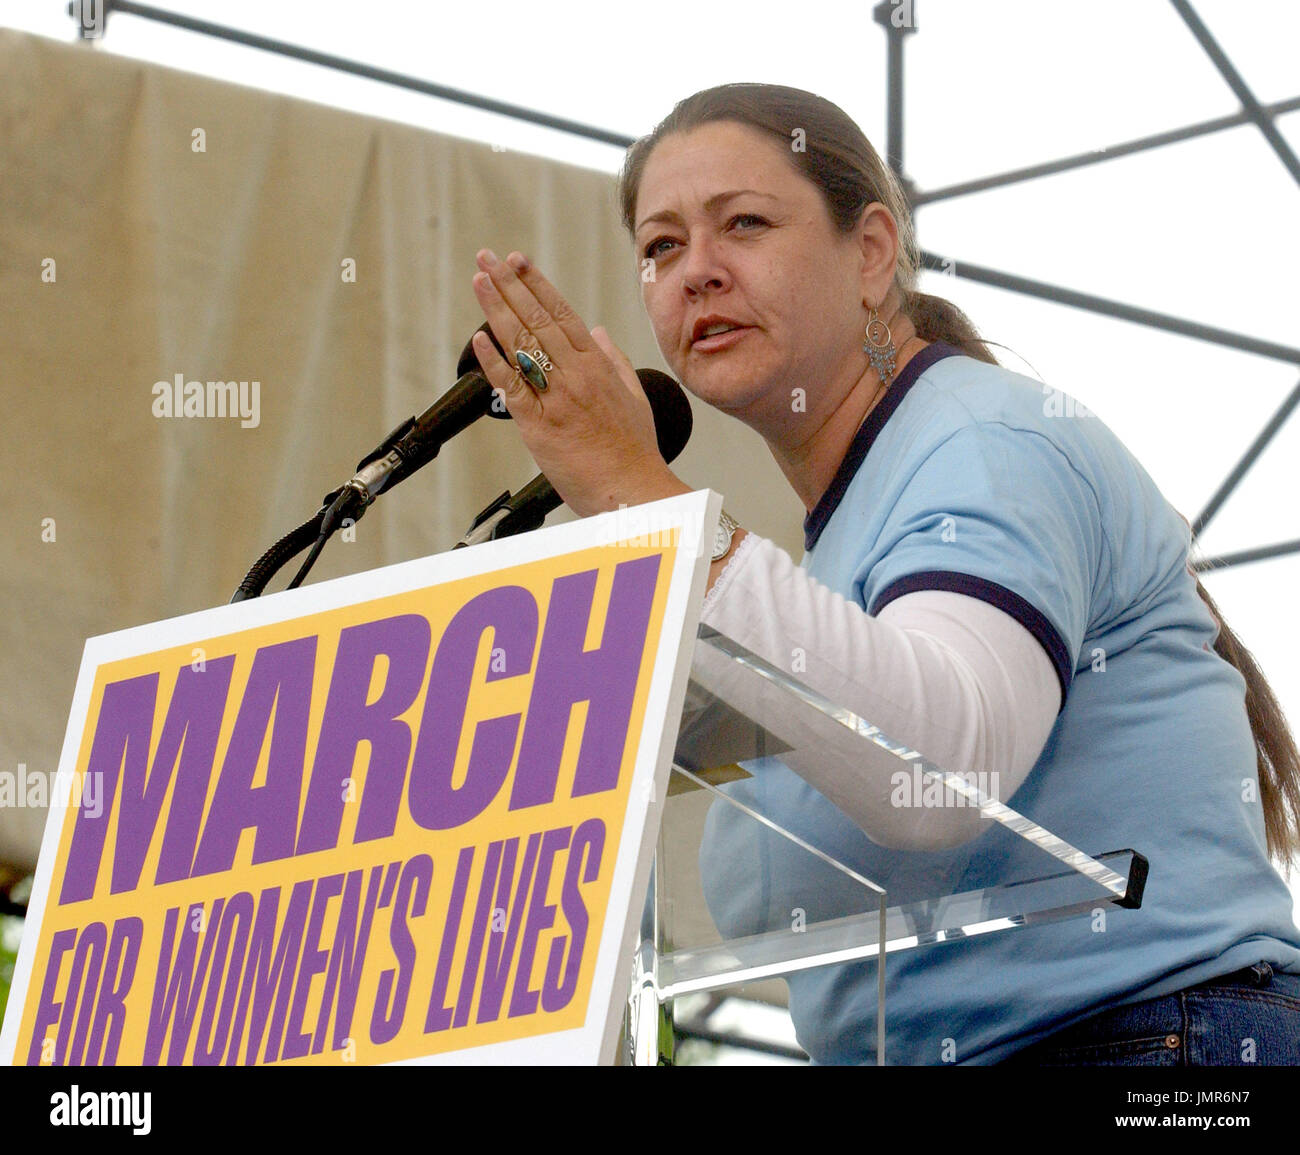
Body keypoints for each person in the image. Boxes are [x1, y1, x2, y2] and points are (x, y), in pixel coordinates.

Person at [469, 82, 1300, 1065]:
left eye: (742, 224)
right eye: (659, 247)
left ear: (870, 253)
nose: (696, 272)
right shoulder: (848, 549)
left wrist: (633, 490)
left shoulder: (984, 440)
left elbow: (940, 775)